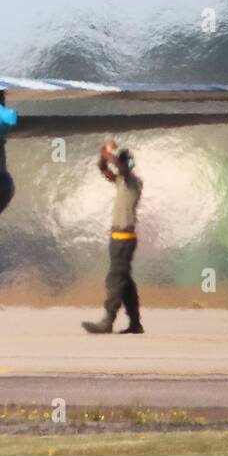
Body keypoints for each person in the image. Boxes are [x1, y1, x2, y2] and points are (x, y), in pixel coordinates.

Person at [82, 141, 144, 335]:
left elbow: (121, 169)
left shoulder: (133, 181)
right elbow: (103, 168)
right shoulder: (121, 181)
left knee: (115, 279)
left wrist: (109, 152)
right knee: (125, 281)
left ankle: (108, 321)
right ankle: (135, 323)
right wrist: (104, 155)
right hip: (118, 237)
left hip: (124, 238)